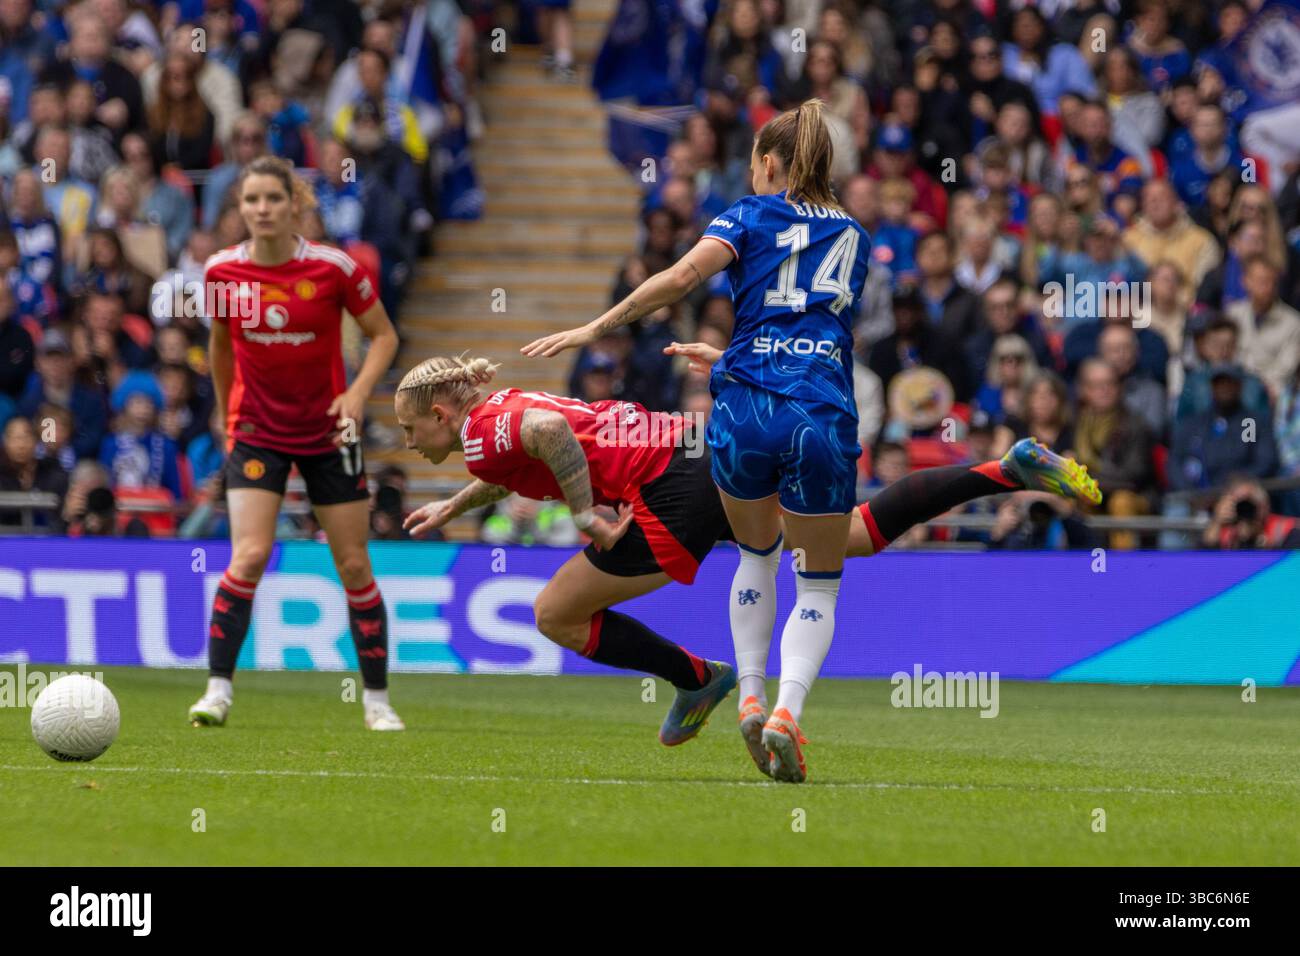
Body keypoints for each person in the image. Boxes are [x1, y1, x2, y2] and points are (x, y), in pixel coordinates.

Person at [395, 353, 1099, 772]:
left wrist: (585, 513)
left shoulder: (484, 434)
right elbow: (528, 449)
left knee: (554, 612)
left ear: (440, 410)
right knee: (846, 533)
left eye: (409, 427)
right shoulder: (504, 406)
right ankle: (1003, 470)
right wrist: (452, 509)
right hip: (709, 444)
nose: (408, 440)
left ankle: (701, 679)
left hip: (668, 486)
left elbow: (547, 440)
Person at [522, 100, 874, 782]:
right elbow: (807, 326)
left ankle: (747, 691)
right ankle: (787, 714)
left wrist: (598, 327)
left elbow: (683, 278)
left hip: (742, 414)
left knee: (756, 553)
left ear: (768, 164)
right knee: (821, 586)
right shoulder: (855, 235)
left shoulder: (746, 213)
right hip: (821, 410)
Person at [187, 156, 402, 733]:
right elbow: (222, 346)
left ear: (294, 204)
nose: (261, 209)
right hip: (258, 429)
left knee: (354, 564)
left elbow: (385, 336)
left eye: (272, 199)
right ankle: (217, 692)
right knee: (250, 555)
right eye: (251, 200)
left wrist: (358, 394)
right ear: (239, 208)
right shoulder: (222, 273)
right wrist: (225, 407)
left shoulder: (334, 269)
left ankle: (377, 702)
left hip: (332, 430)